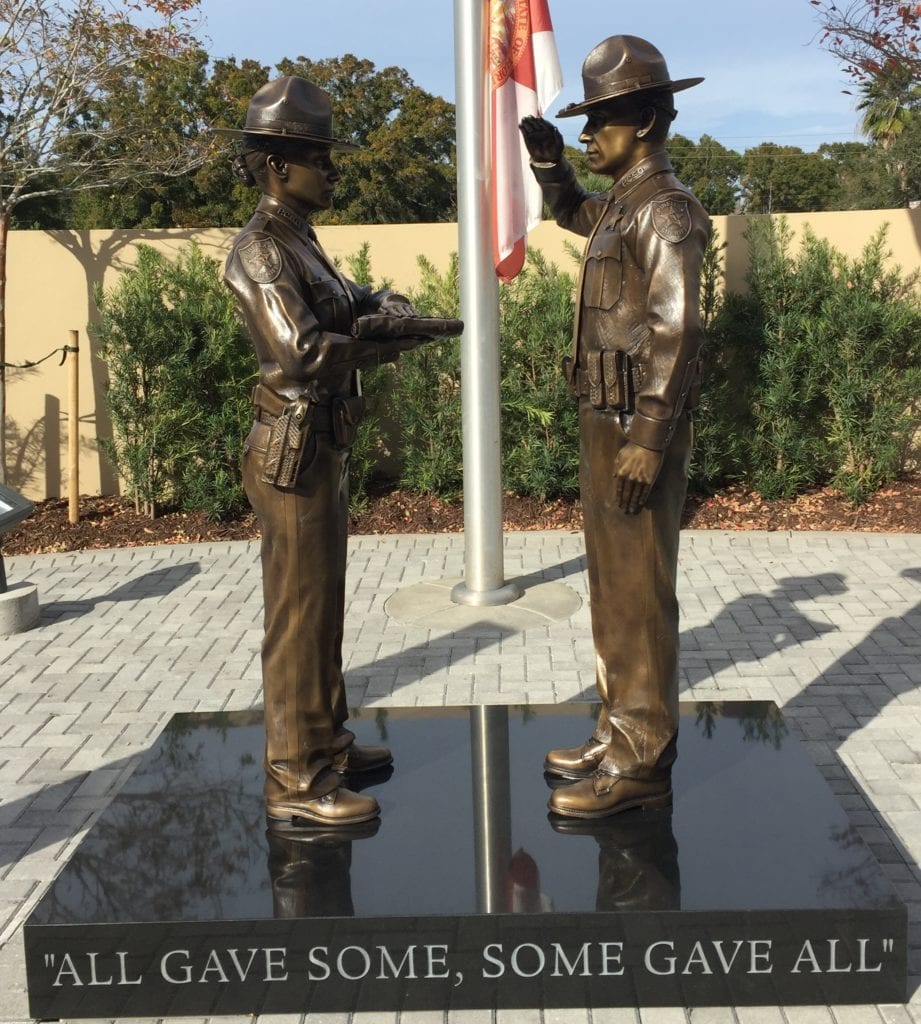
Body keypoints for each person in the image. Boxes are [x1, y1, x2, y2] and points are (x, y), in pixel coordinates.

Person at [219, 77, 429, 828]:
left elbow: (356, 299)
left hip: (321, 443)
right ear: (279, 165)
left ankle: (326, 742)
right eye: (321, 158)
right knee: (297, 616)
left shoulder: (300, 240)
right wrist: (391, 341)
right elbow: (304, 351)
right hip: (291, 448)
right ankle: (294, 777)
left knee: (323, 607)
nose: (334, 171)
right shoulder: (260, 251)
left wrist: (390, 307)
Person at [520, 36, 710, 819]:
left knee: (639, 589)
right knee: (611, 587)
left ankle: (641, 760)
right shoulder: (624, 204)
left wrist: (649, 433)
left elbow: (678, 327)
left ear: (646, 121)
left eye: (600, 120)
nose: (589, 131)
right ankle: (615, 729)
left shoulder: (664, 211)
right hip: (607, 418)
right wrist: (550, 166)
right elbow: (573, 213)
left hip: (636, 424)